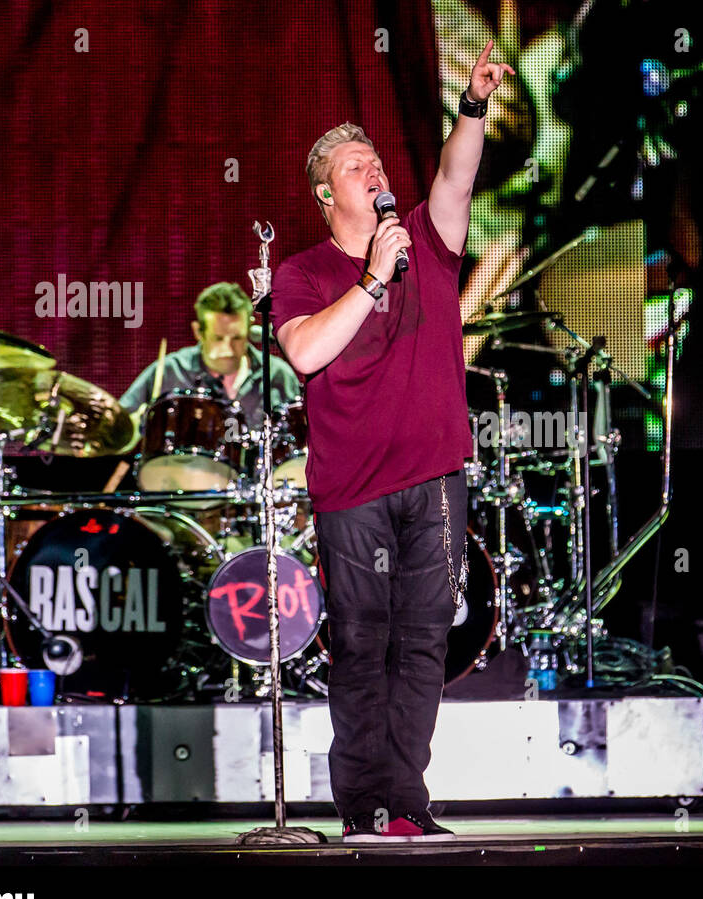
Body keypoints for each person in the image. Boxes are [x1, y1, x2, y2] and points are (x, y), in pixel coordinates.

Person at [271, 42, 515, 843]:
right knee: (363, 646)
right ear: (323, 193)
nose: (373, 172)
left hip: (435, 475)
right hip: (353, 490)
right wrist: (370, 279)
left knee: (422, 643)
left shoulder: (424, 239)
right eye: (353, 166)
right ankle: (363, 805)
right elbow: (306, 350)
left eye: (376, 160)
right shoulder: (303, 270)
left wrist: (472, 106)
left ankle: (407, 804)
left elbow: (456, 177)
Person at [120, 280, 300, 430]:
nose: (227, 349)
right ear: (198, 331)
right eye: (218, 338)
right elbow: (120, 426)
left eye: (237, 337)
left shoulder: (277, 375)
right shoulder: (170, 371)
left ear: (249, 327)